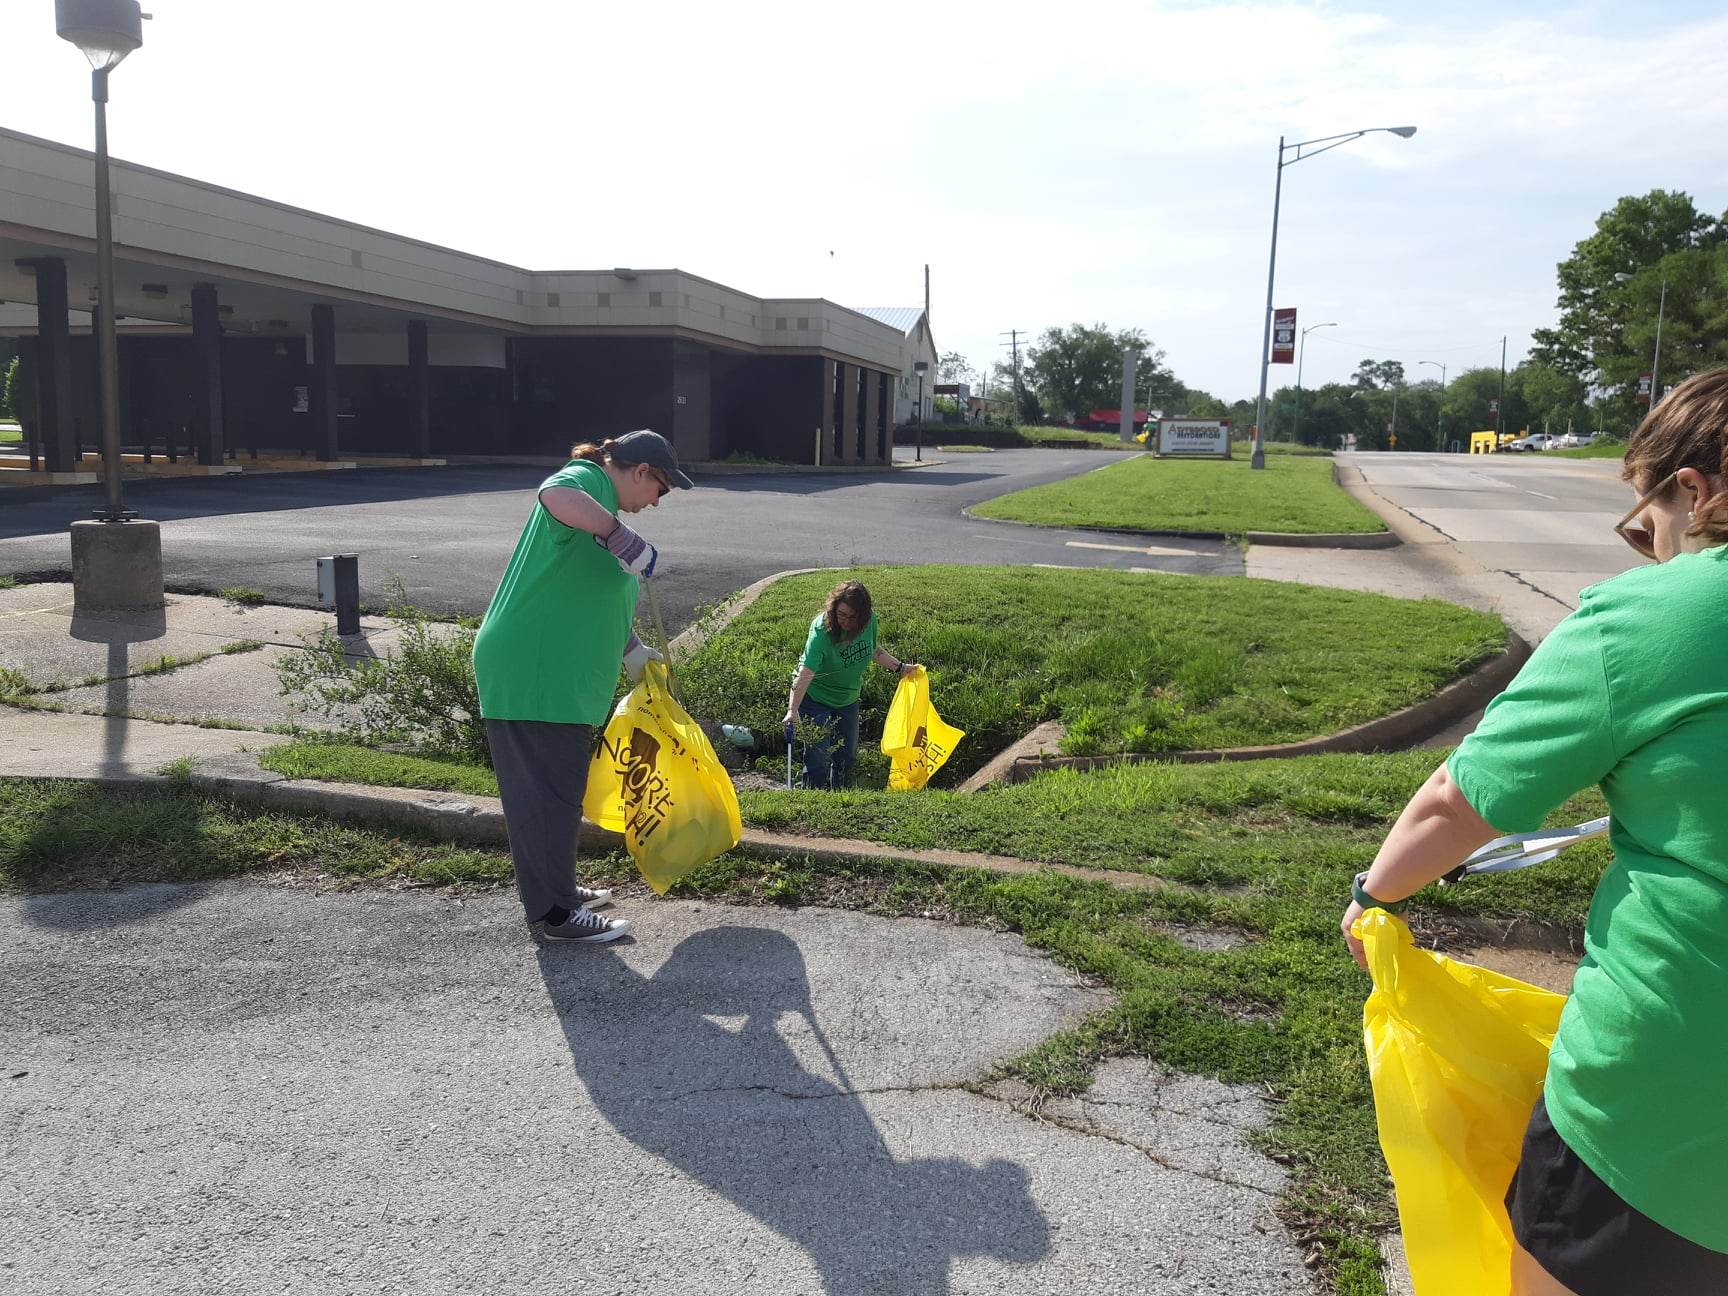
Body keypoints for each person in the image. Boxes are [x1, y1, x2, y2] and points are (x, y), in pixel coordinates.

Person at [1339, 368, 1728, 1295]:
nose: (1650, 551)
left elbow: (1459, 799)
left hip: (1669, 1104)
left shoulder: (1658, 618)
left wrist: (1374, 896)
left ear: (1695, 489)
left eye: (1646, 526)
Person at [473, 429, 692, 944]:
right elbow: (555, 494)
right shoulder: (589, 480)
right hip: (535, 669)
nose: (657, 503)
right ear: (641, 471)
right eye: (660, 489)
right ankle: (555, 914)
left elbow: (589, 596)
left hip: (556, 672)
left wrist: (632, 648)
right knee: (545, 797)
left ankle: (560, 891)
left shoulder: (598, 510)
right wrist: (621, 535)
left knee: (559, 793)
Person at [780, 580, 918, 790]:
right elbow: (806, 673)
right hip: (816, 698)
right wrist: (792, 710)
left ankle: (841, 799)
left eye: (852, 617)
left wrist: (900, 668)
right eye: (841, 615)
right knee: (818, 761)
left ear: (863, 615)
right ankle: (810, 801)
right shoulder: (821, 632)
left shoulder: (870, 621)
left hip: (848, 699)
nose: (846, 621)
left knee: (847, 757)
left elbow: (871, 649)